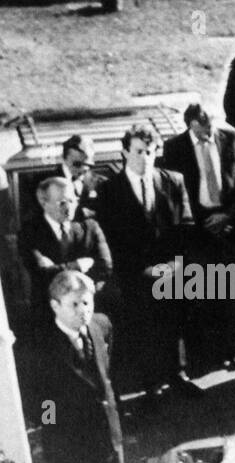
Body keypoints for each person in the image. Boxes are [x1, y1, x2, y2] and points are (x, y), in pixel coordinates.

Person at [31, 271, 135, 463]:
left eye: (86, 302)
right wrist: (50, 424)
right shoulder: (40, 346)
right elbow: (38, 400)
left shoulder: (101, 326)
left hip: (102, 434)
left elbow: (106, 372)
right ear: (55, 307)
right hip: (66, 441)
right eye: (74, 304)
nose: (82, 310)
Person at [95, 123, 196, 403]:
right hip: (135, 273)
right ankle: (151, 383)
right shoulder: (110, 191)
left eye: (150, 151)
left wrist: (176, 264)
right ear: (125, 152)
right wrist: (144, 268)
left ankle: (177, 374)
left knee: (173, 321)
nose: (144, 157)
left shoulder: (173, 181)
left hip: (172, 271)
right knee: (144, 325)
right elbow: (110, 238)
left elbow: (186, 225)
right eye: (138, 151)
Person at [159, 103, 235, 373]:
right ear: (191, 125)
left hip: (231, 227)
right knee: (202, 294)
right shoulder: (174, 148)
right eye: (203, 126)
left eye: (212, 123)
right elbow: (172, 193)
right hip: (197, 231)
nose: (210, 130)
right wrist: (201, 223)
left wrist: (228, 216)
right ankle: (205, 356)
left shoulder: (232, 139)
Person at [21, 177, 112, 334]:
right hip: (48, 317)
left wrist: (56, 269)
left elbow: (105, 267)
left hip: (89, 312)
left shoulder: (89, 227)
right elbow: (40, 275)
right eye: (62, 202)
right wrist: (77, 266)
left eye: (72, 200)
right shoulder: (29, 233)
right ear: (43, 202)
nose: (69, 207)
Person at [35, 135, 104, 221]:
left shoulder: (100, 183)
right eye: (77, 164)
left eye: (88, 165)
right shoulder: (43, 182)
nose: (83, 169)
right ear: (64, 158)